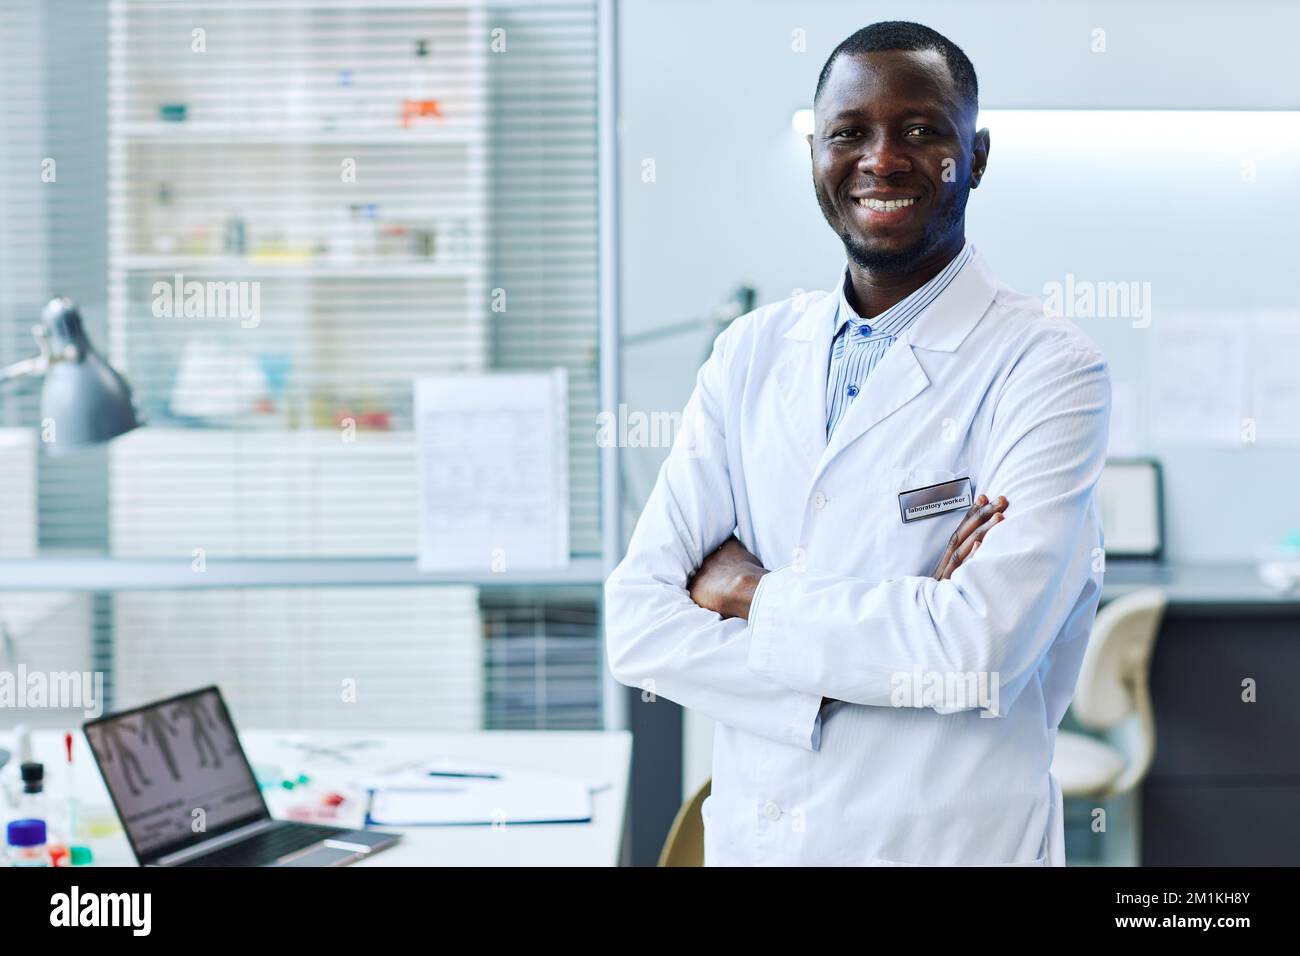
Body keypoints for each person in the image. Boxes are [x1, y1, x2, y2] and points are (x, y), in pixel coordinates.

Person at [604, 20, 1111, 866]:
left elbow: (978, 652)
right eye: (850, 132)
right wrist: (883, 655)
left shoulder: (1048, 368)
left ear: (975, 157)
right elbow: (638, 626)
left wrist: (750, 595)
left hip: (948, 845)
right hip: (758, 841)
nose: (882, 159)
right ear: (816, 153)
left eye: (921, 131)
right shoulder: (750, 353)